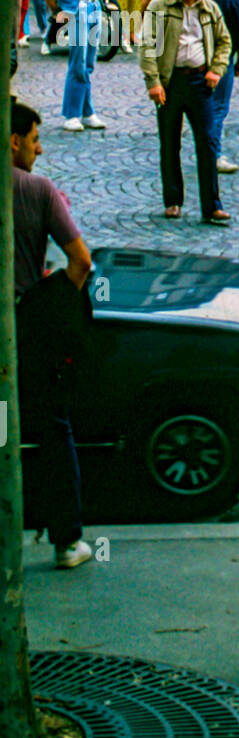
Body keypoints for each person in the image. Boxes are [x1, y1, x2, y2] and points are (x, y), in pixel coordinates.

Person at [12, 99, 96, 570]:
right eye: (36, 140)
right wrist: (52, 297)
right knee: (51, 431)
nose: (39, 151)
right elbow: (81, 263)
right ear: (14, 140)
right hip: (28, 333)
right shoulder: (38, 191)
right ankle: (66, 542)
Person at [140, 0, 232, 223]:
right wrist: (153, 82)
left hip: (200, 82)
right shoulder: (160, 5)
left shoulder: (209, 8)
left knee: (207, 142)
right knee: (169, 143)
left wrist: (217, 69)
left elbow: (225, 41)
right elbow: (147, 45)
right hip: (170, 82)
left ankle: (212, 205)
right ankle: (172, 201)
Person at [43, 0, 107, 132]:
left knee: (88, 64)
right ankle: (71, 114)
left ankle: (87, 112)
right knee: (77, 64)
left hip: (93, 8)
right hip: (76, 9)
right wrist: (57, 10)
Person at [196, 0, 239, 173]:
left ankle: (206, 150)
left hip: (198, 59)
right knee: (218, 108)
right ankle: (214, 154)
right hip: (223, 60)